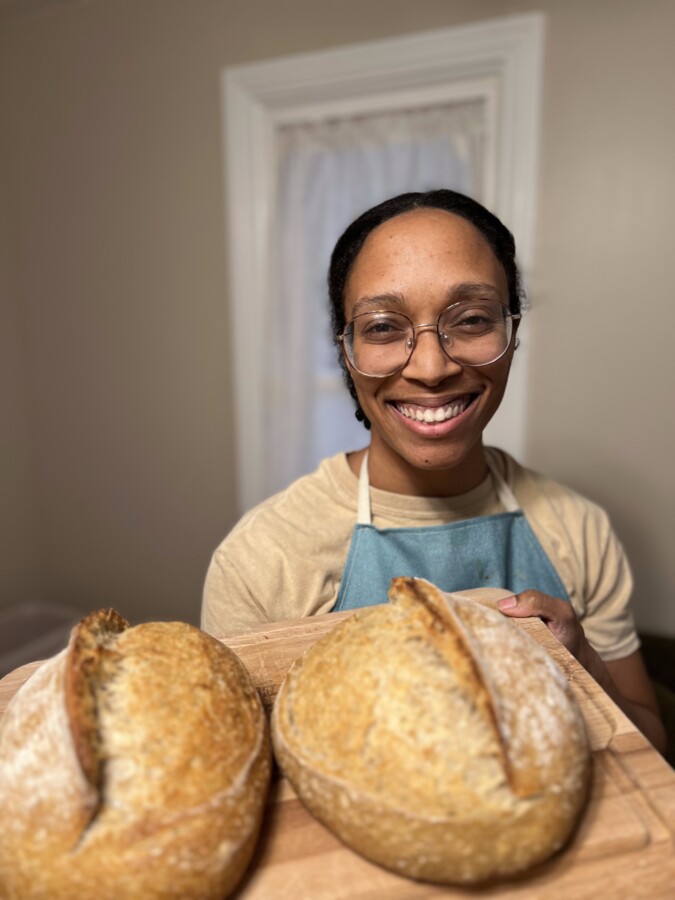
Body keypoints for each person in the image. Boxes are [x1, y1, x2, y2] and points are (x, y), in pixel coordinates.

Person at [202, 189, 666, 753]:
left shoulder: (579, 531)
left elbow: (652, 748)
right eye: (382, 327)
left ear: (511, 333)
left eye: (471, 319)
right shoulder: (262, 561)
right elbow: (228, 767)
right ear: (347, 351)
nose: (431, 367)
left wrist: (581, 664)